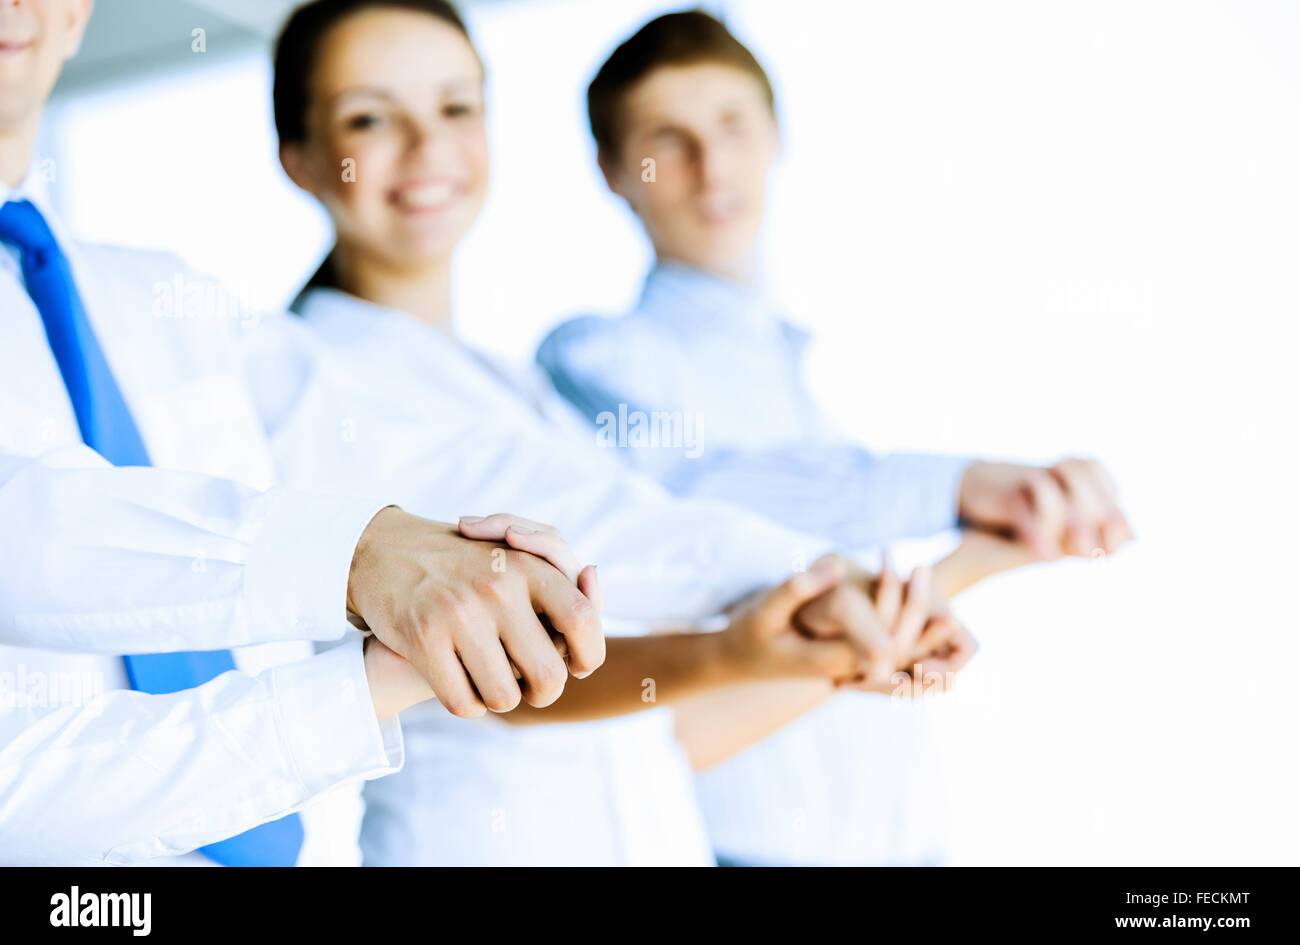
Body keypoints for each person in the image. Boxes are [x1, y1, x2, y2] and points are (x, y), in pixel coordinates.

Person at [266, 0, 981, 865]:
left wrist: (760, 639)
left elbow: (635, 586)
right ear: (299, 158)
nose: (428, 149)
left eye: (456, 107)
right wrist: (813, 584)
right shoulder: (310, 380)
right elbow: (597, 573)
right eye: (370, 118)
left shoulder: (518, 389)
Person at [0, 0, 607, 865]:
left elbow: (442, 468)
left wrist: (376, 669)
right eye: (370, 115)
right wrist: (355, 562)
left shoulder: (173, 303)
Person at [535, 10, 1136, 864]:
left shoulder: (803, 392)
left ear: (777, 135)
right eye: (668, 140)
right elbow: (705, 493)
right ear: (611, 171)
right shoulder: (599, 355)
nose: (712, 170)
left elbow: (856, 621)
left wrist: (995, 546)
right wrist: (958, 485)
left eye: (733, 127)